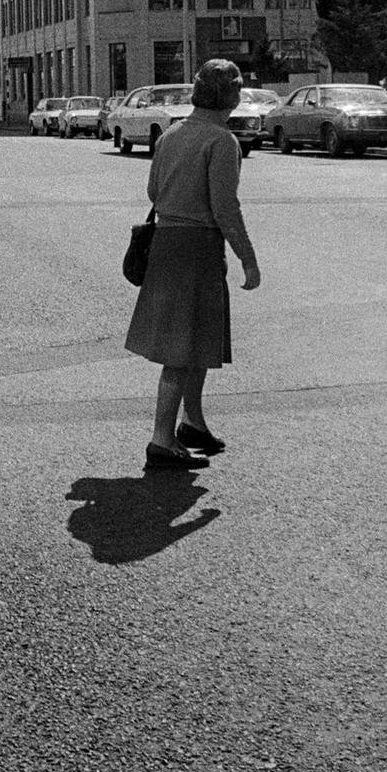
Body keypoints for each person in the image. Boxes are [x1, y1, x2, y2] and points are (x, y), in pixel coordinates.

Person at [125, 57, 261, 469]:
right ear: (230, 96)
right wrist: (248, 259)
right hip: (198, 247)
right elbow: (225, 208)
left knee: (195, 343)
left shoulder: (171, 134)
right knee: (182, 350)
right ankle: (162, 439)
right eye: (238, 89)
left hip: (167, 244)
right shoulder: (222, 142)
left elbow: (153, 191)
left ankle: (193, 424)